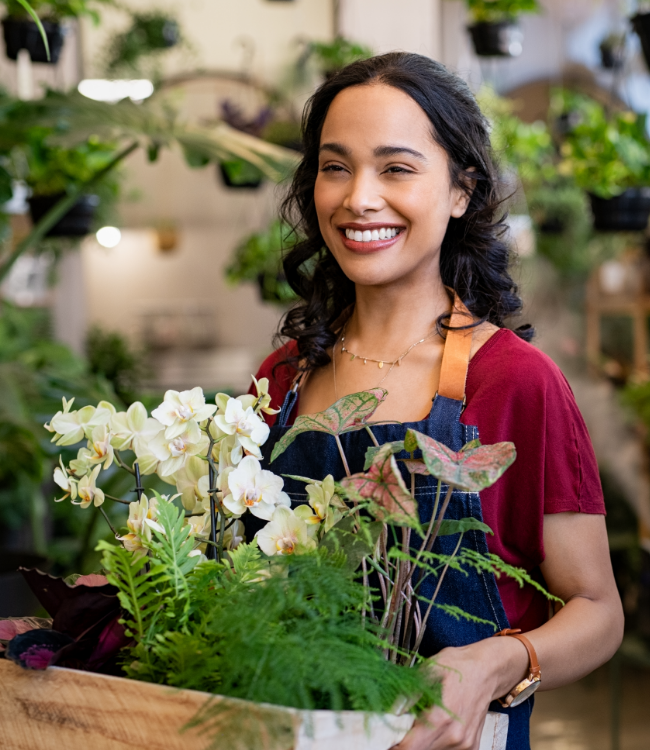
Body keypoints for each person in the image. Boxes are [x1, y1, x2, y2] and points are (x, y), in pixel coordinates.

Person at [247, 52, 623, 750]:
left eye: (396, 168)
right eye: (336, 167)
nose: (359, 197)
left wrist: (497, 661)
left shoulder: (516, 380)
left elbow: (598, 611)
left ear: (459, 191)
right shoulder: (282, 379)